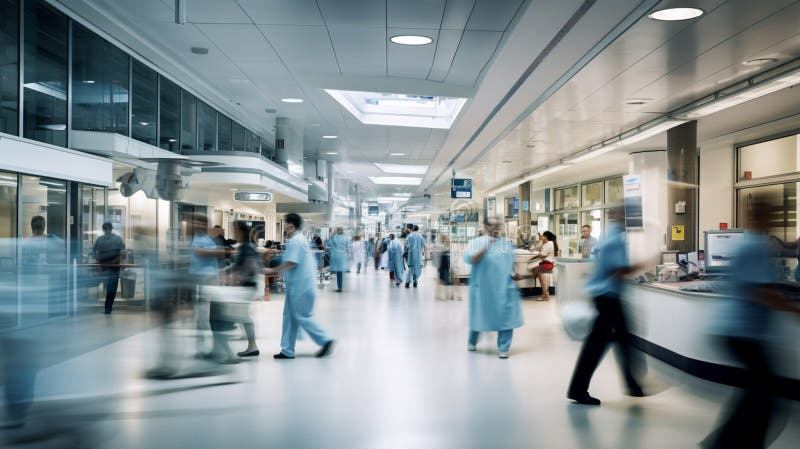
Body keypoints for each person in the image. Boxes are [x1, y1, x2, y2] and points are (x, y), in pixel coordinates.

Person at [703, 198, 800, 449]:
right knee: (763, 395)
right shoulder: (754, 247)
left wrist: (783, 291)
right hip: (742, 332)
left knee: (756, 393)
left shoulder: (752, 244)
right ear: (762, 216)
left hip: (739, 331)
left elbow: (761, 286)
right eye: (772, 214)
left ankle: (724, 443)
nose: (774, 220)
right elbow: (760, 292)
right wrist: (793, 308)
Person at [566, 207, 645, 405]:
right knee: (597, 345)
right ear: (621, 216)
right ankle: (578, 389)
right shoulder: (614, 239)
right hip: (607, 295)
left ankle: (633, 385)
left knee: (623, 338)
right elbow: (618, 270)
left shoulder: (610, 234)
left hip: (608, 295)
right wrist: (645, 263)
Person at [266, 213, 334, 359]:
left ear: (291, 225)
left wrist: (272, 270)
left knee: (302, 317)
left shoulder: (296, 241)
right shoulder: (300, 240)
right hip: (299, 286)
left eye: (285, 224)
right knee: (290, 317)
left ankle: (325, 340)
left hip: (300, 287)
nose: (284, 227)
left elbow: (292, 262)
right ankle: (287, 350)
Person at [463, 218, 524, 358]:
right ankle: (472, 341)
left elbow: (509, 264)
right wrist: (486, 247)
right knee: (480, 316)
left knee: (506, 318)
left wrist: (514, 274)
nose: (495, 227)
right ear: (485, 227)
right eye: (491, 225)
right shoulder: (475, 243)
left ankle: (503, 348)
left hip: (504, 288)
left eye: (497, 225)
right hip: (484, 288)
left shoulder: (506, 245)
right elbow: (470, 260)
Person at [217, 220, 262, 359]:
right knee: (243, 317)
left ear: (242, 231)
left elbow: (249, 265)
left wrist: (237, 278)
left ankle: (252, 346)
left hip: (246, 286)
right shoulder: (244, 246)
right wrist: (223, 271)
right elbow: (237, 265)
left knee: (242, 316)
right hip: (246, 285)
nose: (234, 232)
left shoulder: (246, 247)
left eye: (236, 230)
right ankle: (251, 345)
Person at [92, 222, 126, 314]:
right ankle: (108, 307)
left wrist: (98, 262)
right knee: (112, 288)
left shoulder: (100, 239)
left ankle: (108, 307)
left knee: (108, 286)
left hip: (104, 266)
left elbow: (94, 253)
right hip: (113, 266)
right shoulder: (117, 239)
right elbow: (123, 253)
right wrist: (116, 261)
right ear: (111, 228)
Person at [527, 231, 558, 300]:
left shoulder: (549, 244)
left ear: (546, 237)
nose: (541, 238)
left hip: (548, 264)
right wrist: (540, 236)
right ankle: (545, 294)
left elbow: (543, 255)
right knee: (535, 270)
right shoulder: (548, 243)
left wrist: (532, 258)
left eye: (542, 236)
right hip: (545, 263)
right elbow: (543, 251)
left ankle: (545, 295)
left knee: (539, 270)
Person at [327, 227, 350, 292]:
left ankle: (340, 287)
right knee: (340, 272)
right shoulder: (346, 238)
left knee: (338, 272)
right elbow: (348, 247)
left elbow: (328, 245)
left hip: (335, 256)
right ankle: (340, 287)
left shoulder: (334, 238)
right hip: (343, 256)